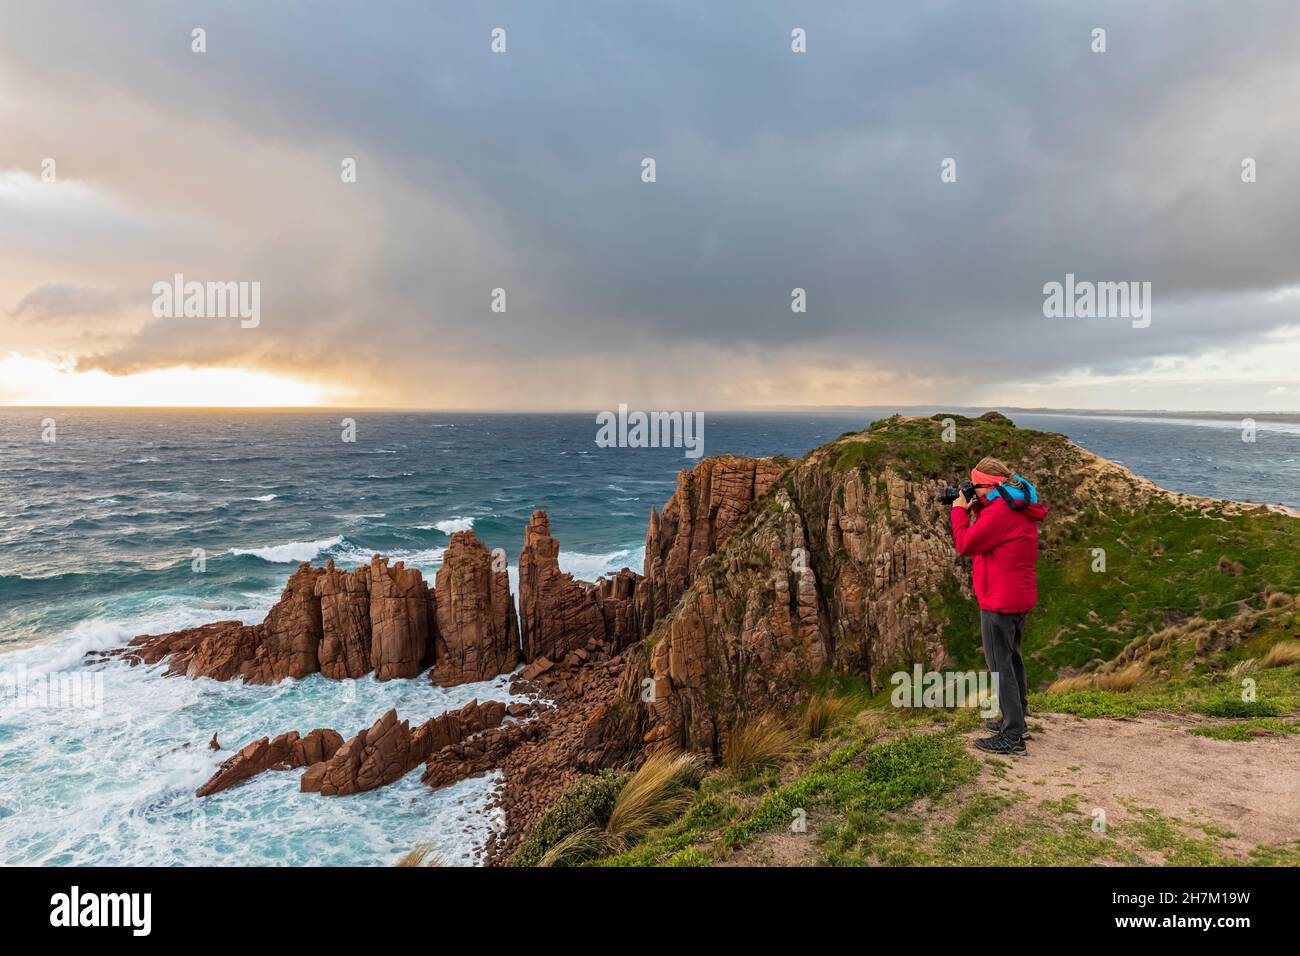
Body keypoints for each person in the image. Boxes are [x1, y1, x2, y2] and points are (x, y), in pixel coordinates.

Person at [949, 455, 1048, 756]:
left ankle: (1013, 736)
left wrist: (958, 512)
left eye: (976, 486)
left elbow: (966, 544)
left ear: (989, 486)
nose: (972, 491)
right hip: (1018, 596)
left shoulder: (1000, 512)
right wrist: (979, 504)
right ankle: (1017, 718)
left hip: (999, 600)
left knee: (999, 666)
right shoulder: (1015, 503)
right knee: (1012, 658)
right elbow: (997, 525)